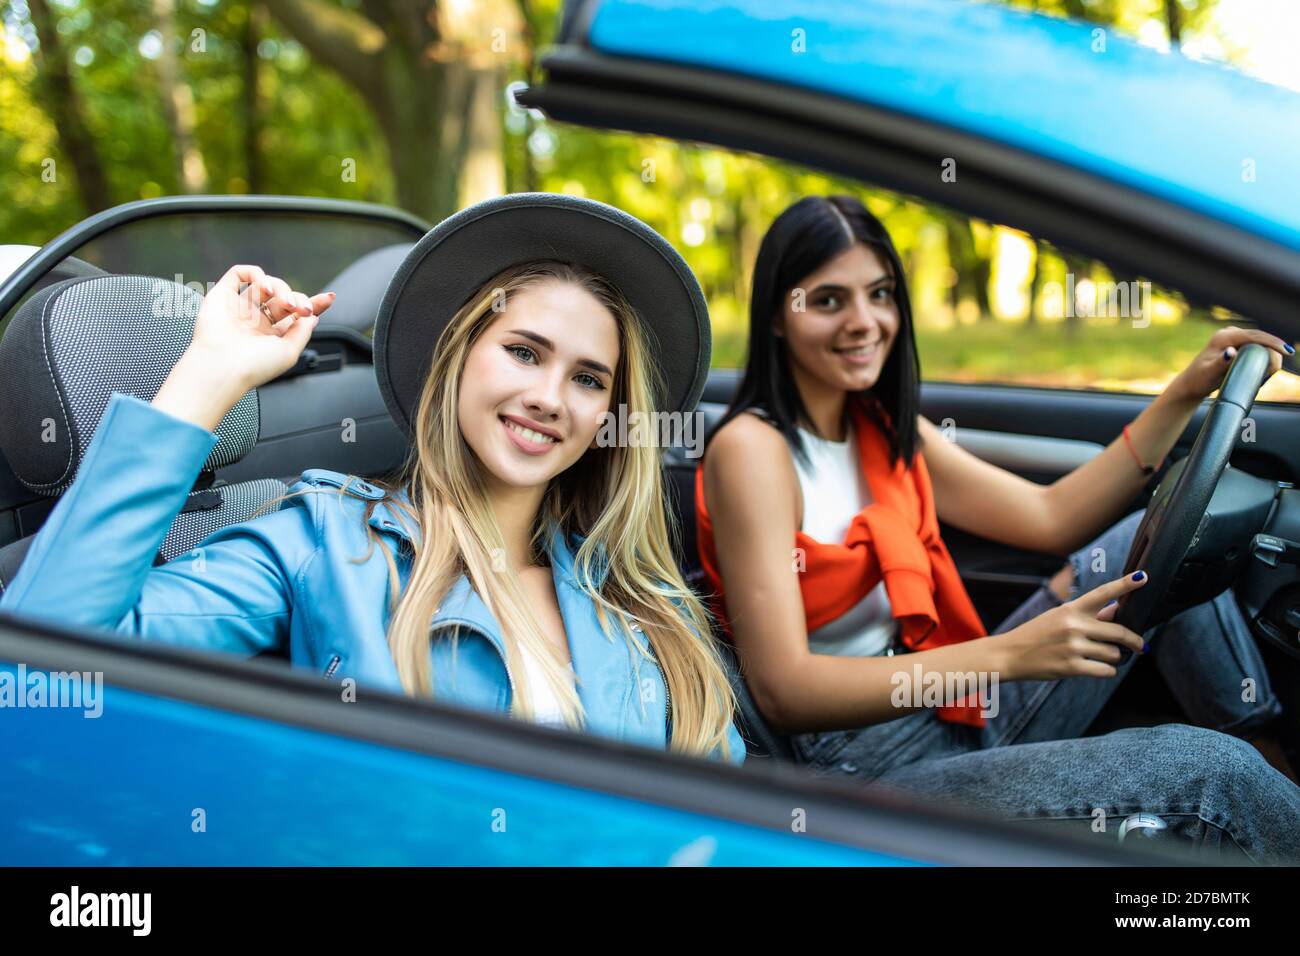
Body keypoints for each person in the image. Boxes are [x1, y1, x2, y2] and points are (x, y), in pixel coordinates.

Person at [1, 193, 743, 764]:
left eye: (587, 378)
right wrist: (211, 371)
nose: (550, 396)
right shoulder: (325, 539)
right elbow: (44, 666)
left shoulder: (642, 602)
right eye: (523, 352)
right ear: (459, 356)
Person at [695, 194, 1300, 862]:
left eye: (880, 294)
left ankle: (1272, 756)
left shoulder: (881, 424)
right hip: (858, 766)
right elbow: (785, 690)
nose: (865, 322)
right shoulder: (752, 451)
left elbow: (1050, 518)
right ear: (778, 316)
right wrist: (1007, 657)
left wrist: (1184, 392)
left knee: (1156, 555)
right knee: (1212, 773)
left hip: (944, 702)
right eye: (830, 300)